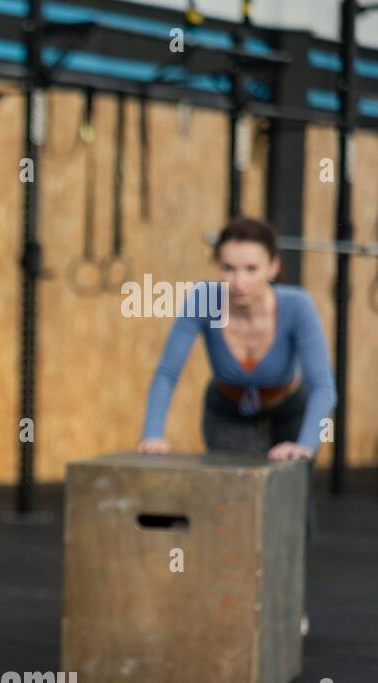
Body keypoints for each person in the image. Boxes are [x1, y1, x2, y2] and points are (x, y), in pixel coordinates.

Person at [137, 216, 338, 636]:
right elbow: (167, 373)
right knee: (231, 503)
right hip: (227, 411)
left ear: (273, 268)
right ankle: (231, 602)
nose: (238, 281)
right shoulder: (204, 300)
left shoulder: (297, 306)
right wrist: (152, 433)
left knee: (290, 504)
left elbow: (323, 388)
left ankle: (286, 600)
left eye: (251, 269)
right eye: (228, 268)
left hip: (288, 410)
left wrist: (303, 446)